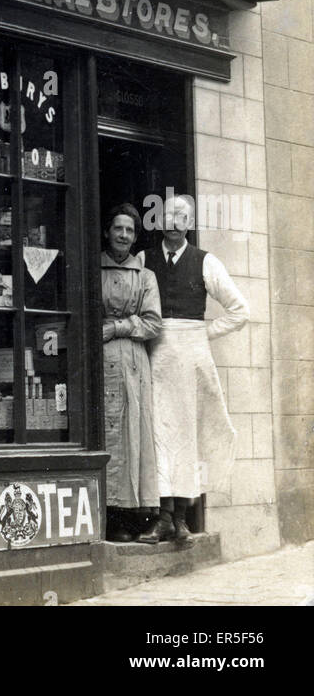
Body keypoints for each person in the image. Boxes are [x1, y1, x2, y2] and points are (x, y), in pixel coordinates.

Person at [138, 194, 249, 546]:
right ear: (158, 221)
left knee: (187, 437)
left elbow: (239, 311)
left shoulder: (206, 262)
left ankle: (182, 518)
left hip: (191, 357)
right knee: (158, 435)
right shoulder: (144, 259)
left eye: (181, 216)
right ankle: (162, 517)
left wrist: (204, 332)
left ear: (190, 223)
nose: (173, 221)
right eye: (167, 215)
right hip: (156, 354)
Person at [101, 203, 162, 543]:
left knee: (133, 434)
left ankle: (132, 514)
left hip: (135, 363)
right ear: (107, 232)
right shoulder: (94, 267)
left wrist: (116, 327)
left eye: (129, 231)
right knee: (109, 434)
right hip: (102, 361)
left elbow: (153, 323)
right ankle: (110, 515)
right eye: (118, 229)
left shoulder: (145, 275)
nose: (123, 235)